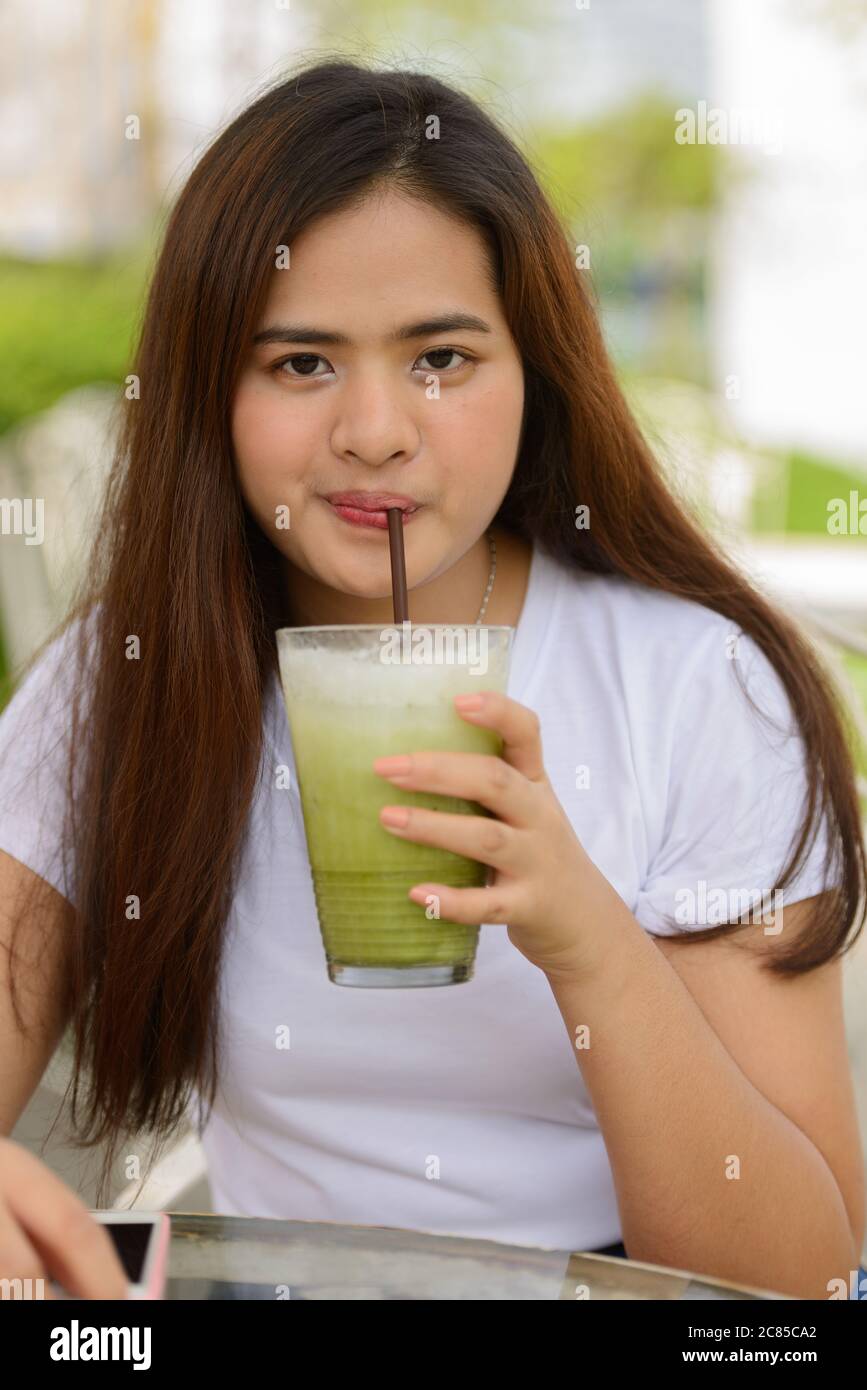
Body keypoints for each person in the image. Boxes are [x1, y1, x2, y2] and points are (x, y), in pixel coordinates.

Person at [0, 57, 865, 1302]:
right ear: (211, 394)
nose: (375, 430)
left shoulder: (698, 685)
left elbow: (798, 1279)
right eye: (301, 363)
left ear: (538, 371)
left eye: (442, 358)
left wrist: (586, 939)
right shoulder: (126, 681)